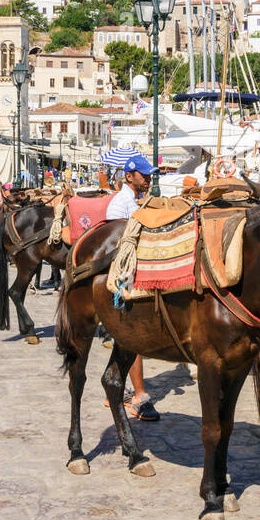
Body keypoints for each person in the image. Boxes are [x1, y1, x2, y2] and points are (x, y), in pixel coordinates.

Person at [104, 153, 160, 422]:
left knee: (126, 337)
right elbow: (117, 246)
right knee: (132, 334)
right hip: (125, 276)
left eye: (149, 175)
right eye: (144, 175)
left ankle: (116, 388)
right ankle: (139, 395)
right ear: (129, 176)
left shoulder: (135, 201)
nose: (148, 179)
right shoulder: (120, 205)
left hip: (136, 271)